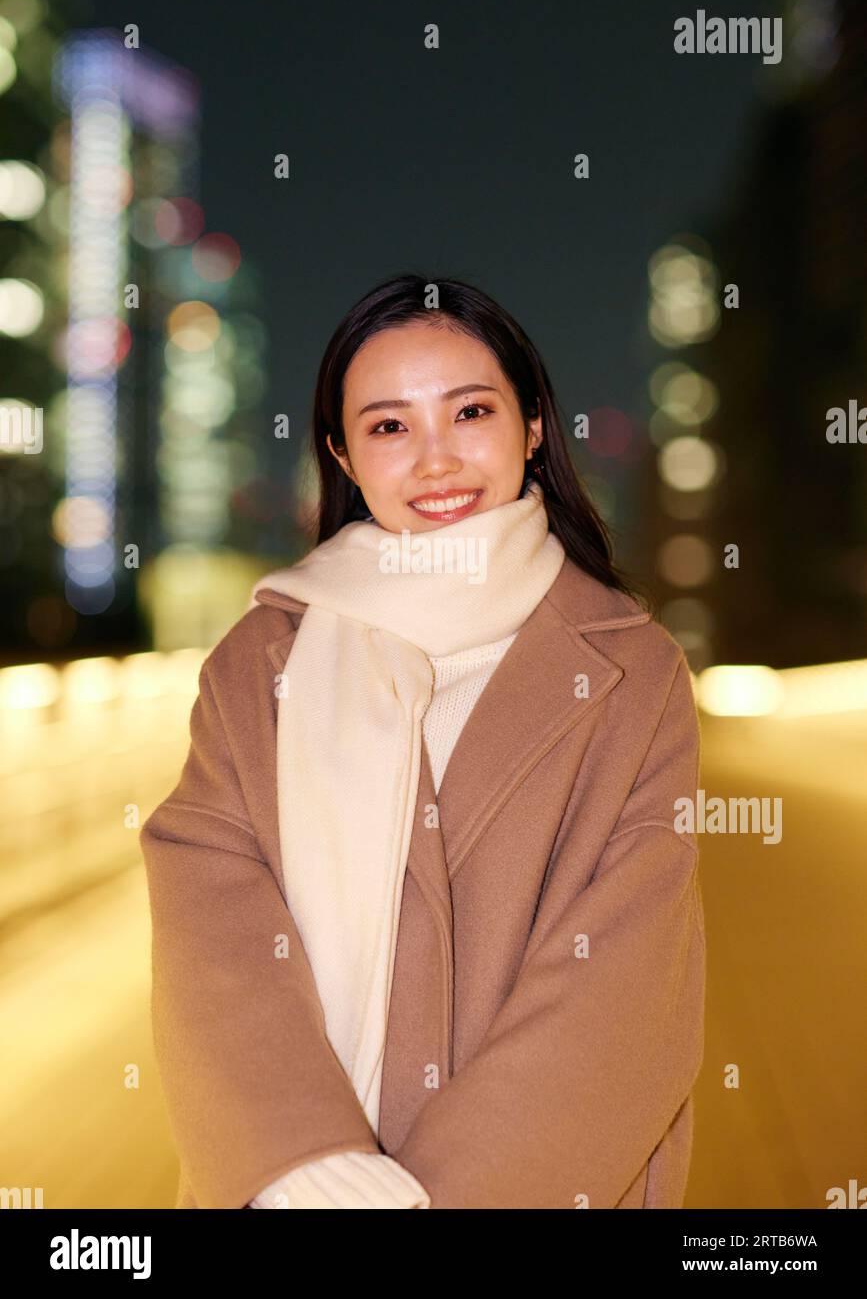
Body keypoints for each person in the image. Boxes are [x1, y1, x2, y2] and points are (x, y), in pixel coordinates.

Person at [140, 272, 706, 1209]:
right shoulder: (260, 661)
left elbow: (626, 983)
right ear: (344, 455)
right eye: (390, 426)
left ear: (531, 428)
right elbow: (210, 906)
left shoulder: (630, 672)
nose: (435, 460)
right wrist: (300, 1163)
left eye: (470, 412)